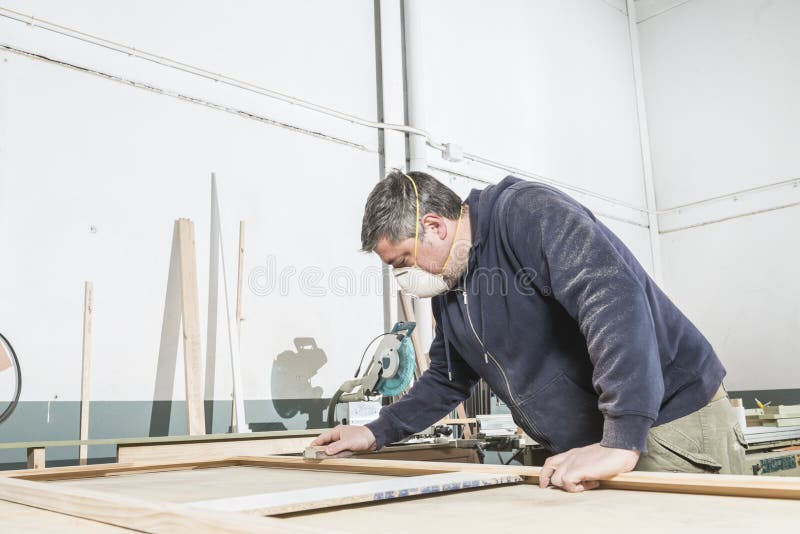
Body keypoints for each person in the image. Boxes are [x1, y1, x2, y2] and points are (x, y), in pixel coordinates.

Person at [312, 171, 747, 492]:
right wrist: (377, 430)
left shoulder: (524, 213)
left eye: (403, 261)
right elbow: (447, 377)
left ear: (433, 226)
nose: (405, 279)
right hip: (602, 441)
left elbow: (611, 299)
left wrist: (622, 436)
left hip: (669, 422)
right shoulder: (453, 286)